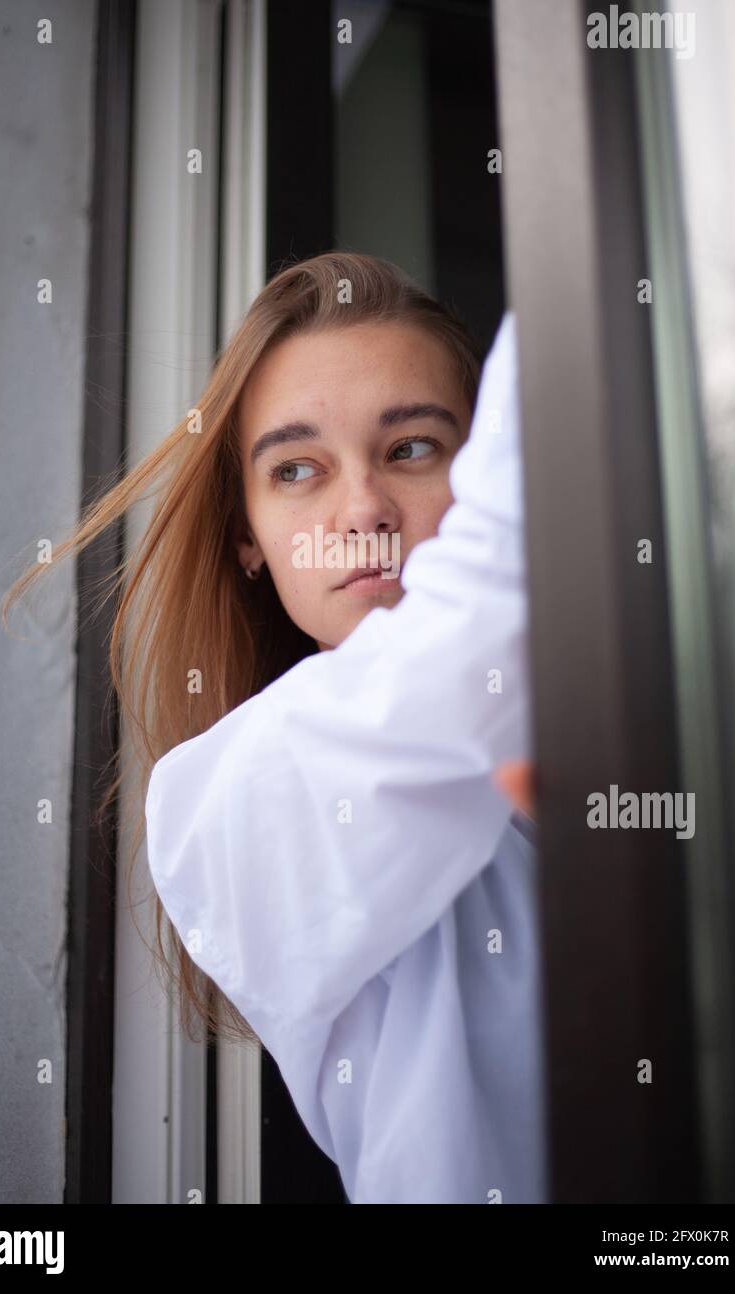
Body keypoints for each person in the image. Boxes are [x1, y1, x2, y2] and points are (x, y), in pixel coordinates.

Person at [144, 287, 547, 1203]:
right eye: (296, 469)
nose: (364, 509)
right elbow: (492, 593)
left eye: (411, 449)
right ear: (248, 536)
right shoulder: (231, 793)